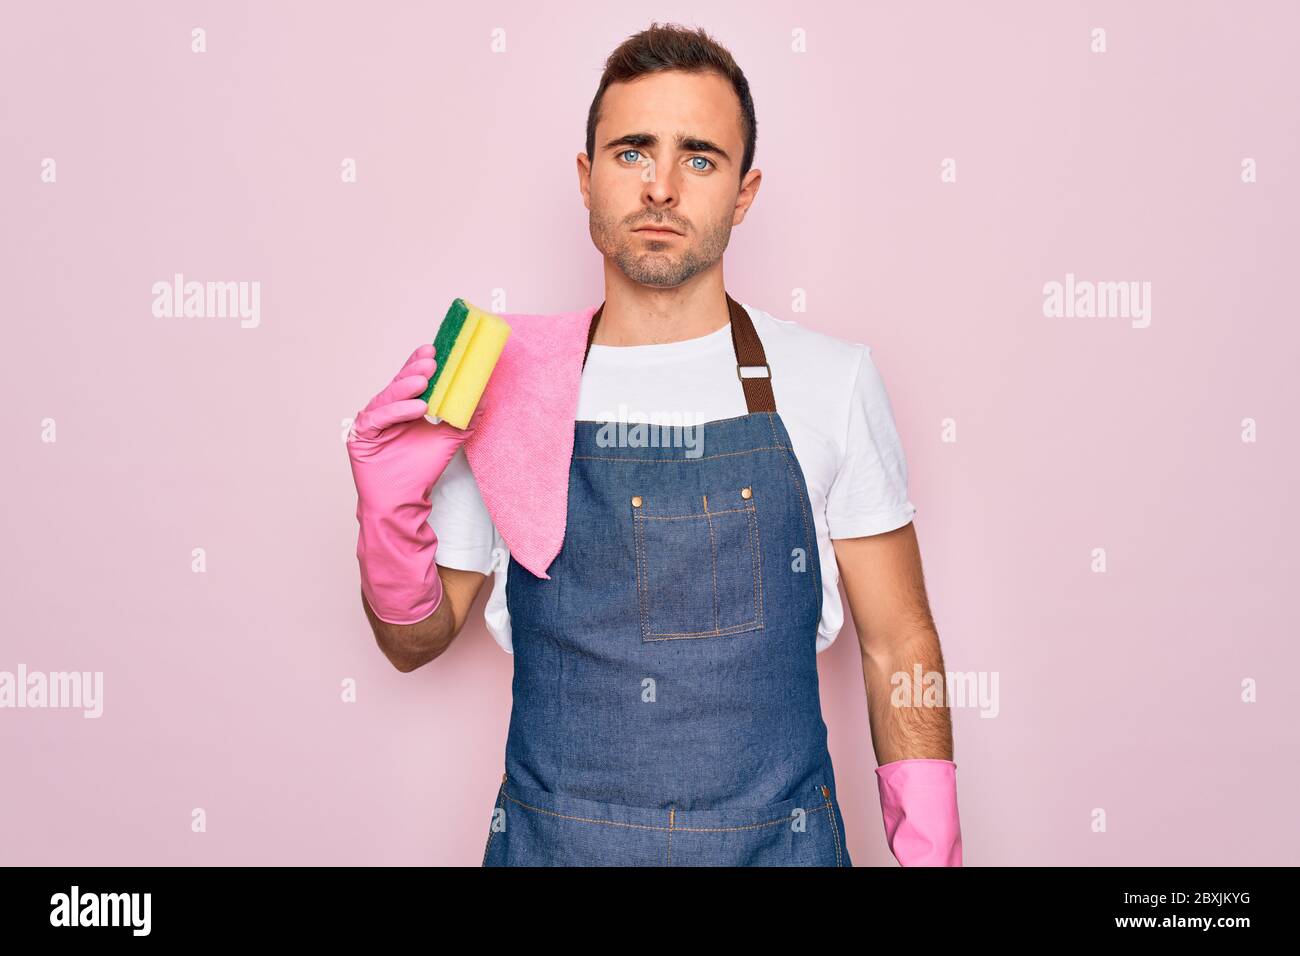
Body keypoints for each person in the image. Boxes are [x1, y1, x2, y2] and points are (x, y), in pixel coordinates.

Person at [347, 22, 961, 867]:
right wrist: (387, 510)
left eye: (700, 158)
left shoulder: (833, 380)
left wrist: (934, 851)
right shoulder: (505, 383)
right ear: (586, 178)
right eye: (633, 152)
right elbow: (413, 647)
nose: (662, 188)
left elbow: (900, 642)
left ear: (743, 194)